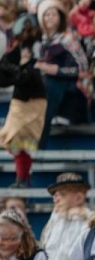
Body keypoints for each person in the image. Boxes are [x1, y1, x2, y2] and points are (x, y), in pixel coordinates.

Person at [35, 0, 90, 146]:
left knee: (51, 84)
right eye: (46, 15)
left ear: (60, 17)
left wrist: (56, 70)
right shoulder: (42, 42)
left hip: (71, 93)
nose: (50, 18)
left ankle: (39, 143)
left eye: (53, 14)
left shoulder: (69, 39)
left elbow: (83, 69)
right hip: (50, 90)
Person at [0, 25, 46, 188]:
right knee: (13, 143)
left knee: (18, 142)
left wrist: (9, 67)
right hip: (19, 102)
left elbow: (25, 77)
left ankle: (23, 178)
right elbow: (5, 80)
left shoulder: (35, 53)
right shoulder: (13, 52)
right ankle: (22, 178)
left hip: (32, 102)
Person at [40, 173, 93, 260]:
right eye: (55, 195)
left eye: (62, 194)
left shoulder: (89, 223)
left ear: (78, 198)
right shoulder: (52, 223)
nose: (56, 199)